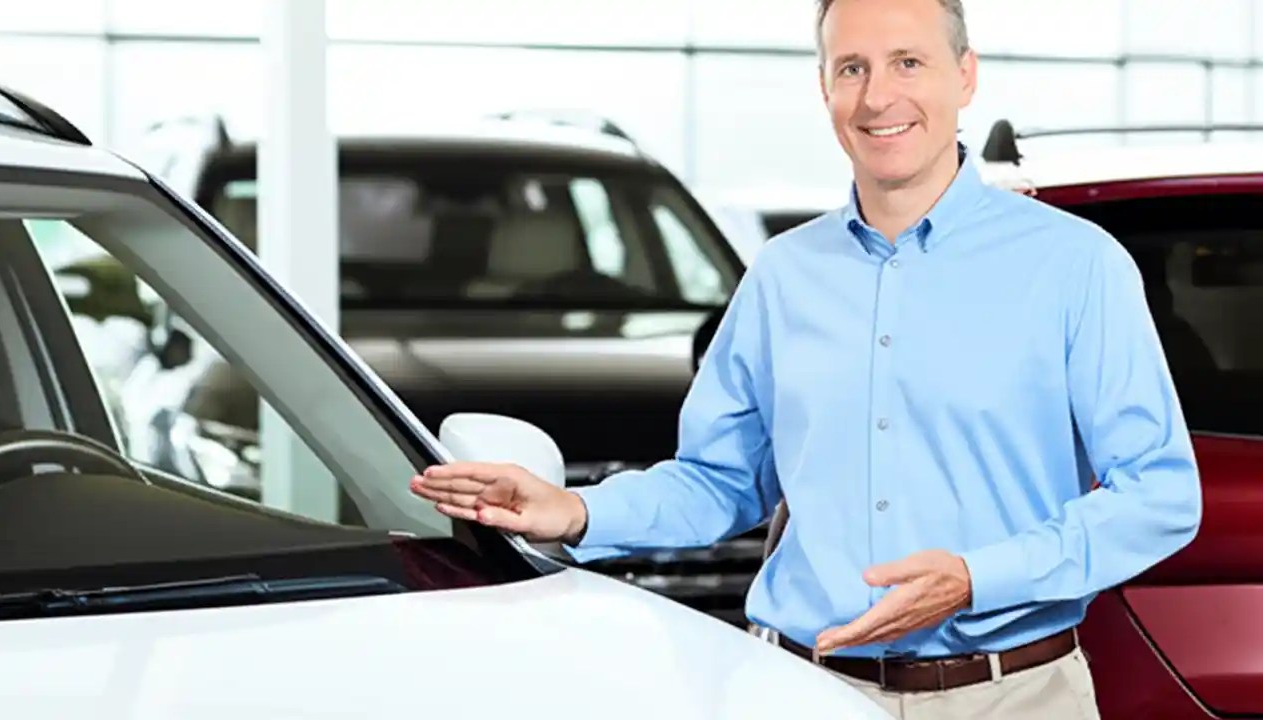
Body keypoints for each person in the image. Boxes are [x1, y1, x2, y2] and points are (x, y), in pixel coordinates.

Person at [409, 0, 1203, 716]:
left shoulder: (1074, 266)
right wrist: (577, 510)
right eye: (851, 68)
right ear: (824, 90)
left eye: (908, 63)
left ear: (965, 76)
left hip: (1013, 697)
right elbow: (722, 480)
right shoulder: (782, 276)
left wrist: (975, 577)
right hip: (804, 690)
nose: (878, 95)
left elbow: (1158, 494)